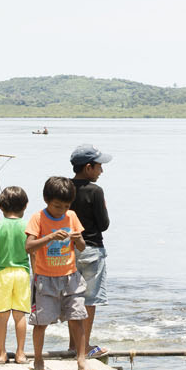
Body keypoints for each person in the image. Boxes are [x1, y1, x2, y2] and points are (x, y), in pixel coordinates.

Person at [26, 175, 91, 370]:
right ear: (46, 200)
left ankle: (81, 360)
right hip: (45, 279)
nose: (61, 210)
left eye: (65, 206)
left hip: (70, 277)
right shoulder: (38, 218)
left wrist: (78, 238)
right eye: (56, 206)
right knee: (41, 322)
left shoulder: (71, 217)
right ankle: (38, 360)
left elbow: (81, 246)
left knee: (77, 318)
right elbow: (29, 246)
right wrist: (51, 236)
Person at [69, 143, 113, 355]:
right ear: (88, 167)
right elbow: (103, 224)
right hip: (92, 249)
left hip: (67, 249)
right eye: (99, 166)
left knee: (72, 297)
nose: (101, 170)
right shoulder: (95, 191)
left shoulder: (64, 188)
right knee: (89, 300)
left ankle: (72, 345)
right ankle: (84, 347)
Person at [0, 185, 33, 364]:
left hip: (2, 273)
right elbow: (32, 252)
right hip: (22, 273)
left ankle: (2, 353)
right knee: (20, 314)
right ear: (25, 205)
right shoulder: (28, 226)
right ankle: (20, 353)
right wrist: (36, 275)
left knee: (2, 315)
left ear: (1, 206)